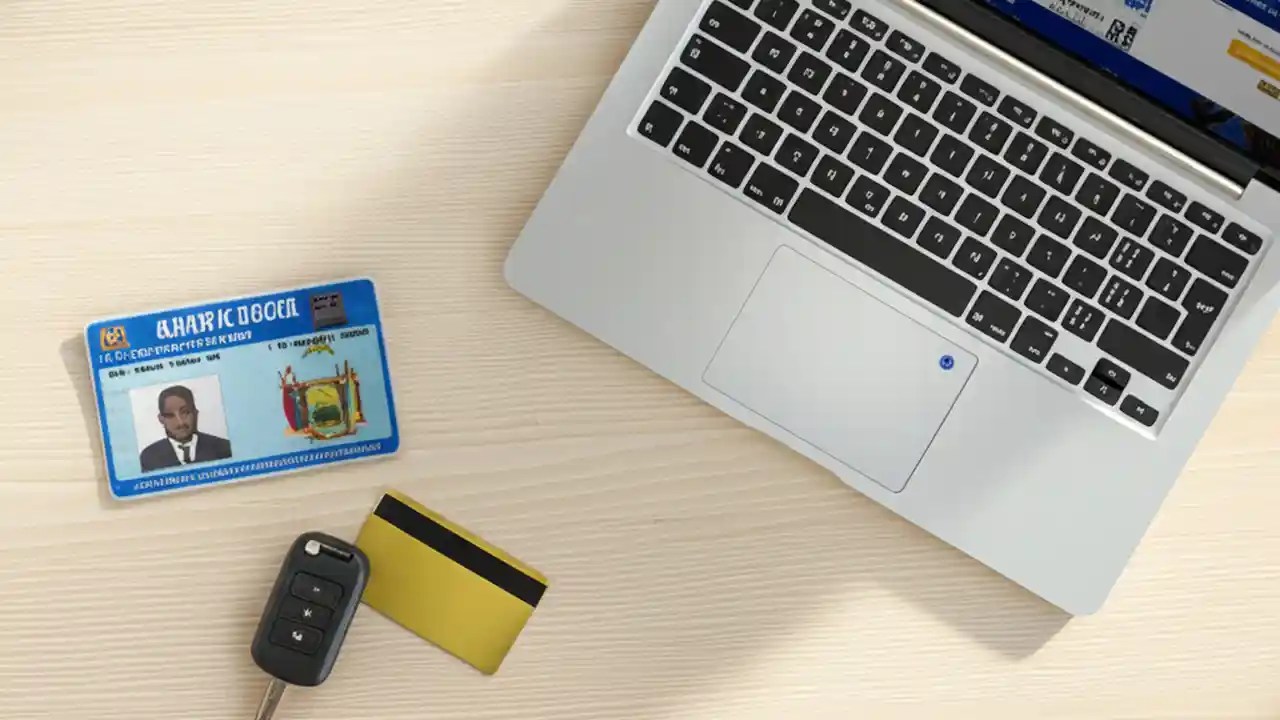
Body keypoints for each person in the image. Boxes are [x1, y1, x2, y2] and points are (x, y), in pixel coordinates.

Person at [139, 385, 233, 471]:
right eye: (170, 415)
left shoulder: (223, 449)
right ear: (161, 419)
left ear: (195, 413)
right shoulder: (149, 457)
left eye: (185, 412)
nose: (180, 422)